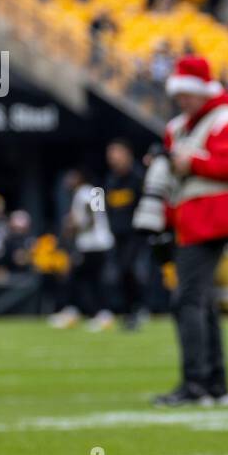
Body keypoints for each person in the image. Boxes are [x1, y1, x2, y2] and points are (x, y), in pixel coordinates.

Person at [148, 56, 228, 407]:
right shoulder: (180, 125)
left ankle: (196, 383)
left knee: (188, 301)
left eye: (187, 95)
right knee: (202, 302)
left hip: (210, 220)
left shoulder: (226, 119)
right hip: (188, 221)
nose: (182, 101)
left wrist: (190, 161)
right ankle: (214, 384)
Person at [48, 169, 115, 331]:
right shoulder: (95, 190)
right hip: (102, 242)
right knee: (89, 279)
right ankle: (85, 312)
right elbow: (100, 215)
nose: (68, 180)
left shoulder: (83, 192)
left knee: (79, 278)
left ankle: (82, 312)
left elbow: (90, 216)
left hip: (91, 244)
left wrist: (73, 225)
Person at [103, 139, 145, 329]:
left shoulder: (138, 177)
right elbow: (103, 205)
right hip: (117, 234)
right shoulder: (110, 180)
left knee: (131, 269)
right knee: (120, 272)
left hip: (136, 234)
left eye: (117, 153)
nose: (113, 158)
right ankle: (127, 311)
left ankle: (139, 308)